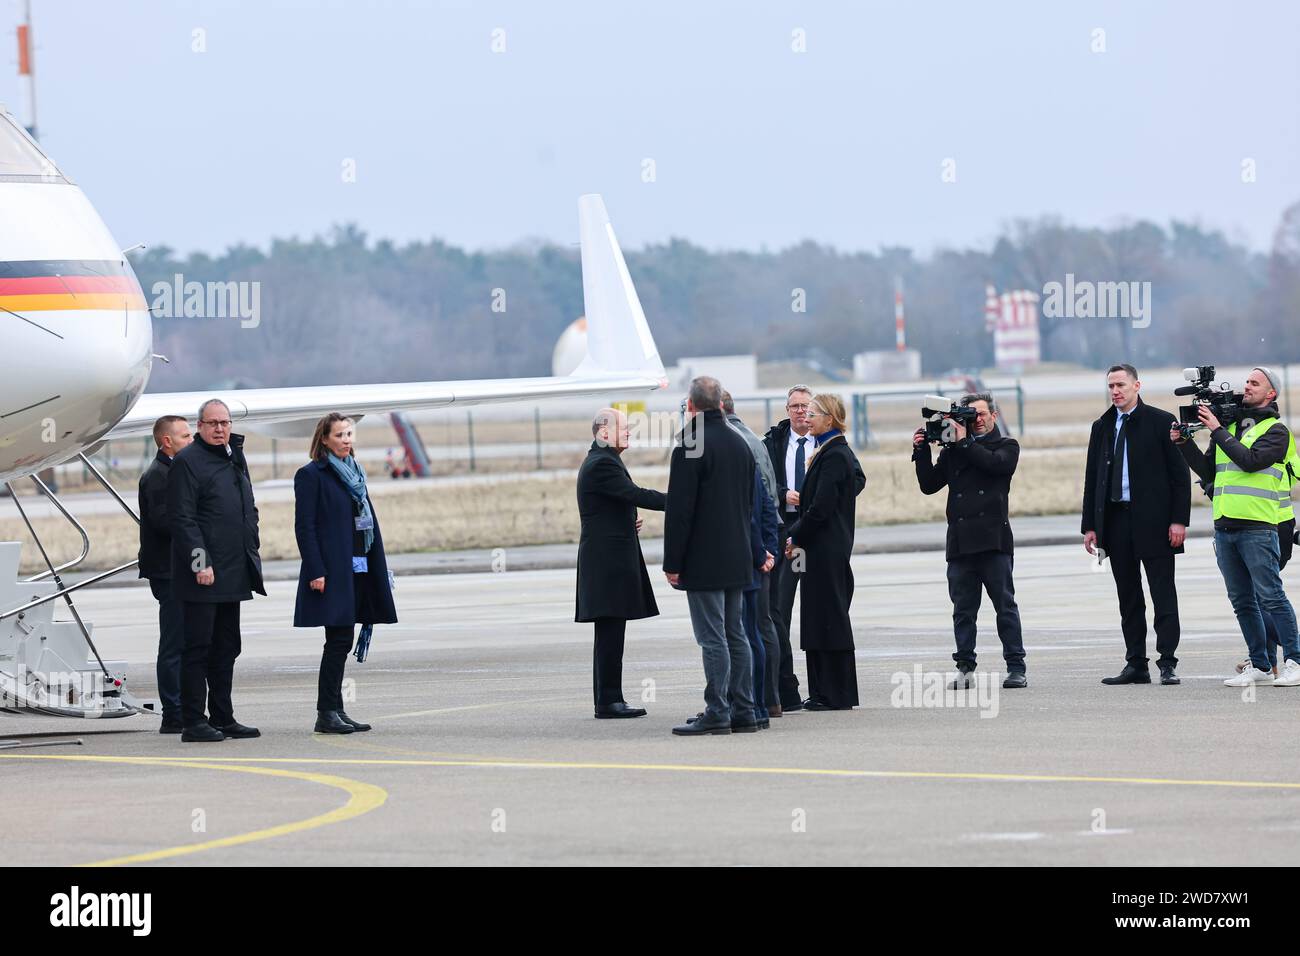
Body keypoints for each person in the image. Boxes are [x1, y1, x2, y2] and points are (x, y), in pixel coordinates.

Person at [1173, 366, 1300, 686]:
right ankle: (1259, 665)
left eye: (1255, 383)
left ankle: (1295, 661)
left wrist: (1217, 430)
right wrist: (1183, 443)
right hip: (1225, 526)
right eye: (1247, 381)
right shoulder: (1229, 427)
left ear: (1271, 393)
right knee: (1242, 601)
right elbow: (1207, 471)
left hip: (1259, 526)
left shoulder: (1276, 431)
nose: (1247, 387)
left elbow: (1250, 461)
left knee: (1271, 597)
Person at [1082, 364, 1191, 686]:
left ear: (1136, 386)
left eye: (1120, 385)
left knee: (1162, 594)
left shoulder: (1161, 422)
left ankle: (1167, 662)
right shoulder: (1102, 426)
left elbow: (1179, 477)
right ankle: (1136, 663)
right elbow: (1093, 479)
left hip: (1156, 522)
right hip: (1115, 521)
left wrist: (1178, 520)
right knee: (1128, 597)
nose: (1115, 392)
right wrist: (1091, 525)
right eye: (1111, 386)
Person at [912, 392, 1027, 689]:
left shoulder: (1006, 445)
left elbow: (994, 465)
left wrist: (963, 442)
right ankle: (964, 667)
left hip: (993, 540)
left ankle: (1016, 666)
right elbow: (929, 485)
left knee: (1005, 606)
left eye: (980, 415)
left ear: (994, 415)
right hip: (960, 542)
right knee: (963, 610)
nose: (975, 421)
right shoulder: (953, 450)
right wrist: (923, 452)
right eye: (970, 416)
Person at [664, 376, 757, 736]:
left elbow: (680, 511)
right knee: (736, 633)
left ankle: (718, 709)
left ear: (690, 405)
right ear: (720, 404)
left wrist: (673, 561)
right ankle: (743, 708)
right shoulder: (739, 443)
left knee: (711, 637)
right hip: (736, 554)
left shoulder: (691, 444)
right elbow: (748, 503)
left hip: (704, 558)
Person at [168, 399, 265, 742]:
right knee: (198, 648)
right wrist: (200, 562)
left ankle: (223, 717)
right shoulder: (187, 462)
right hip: (203, 575)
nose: (220, 428)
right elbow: (183, 519)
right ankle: (193, 721)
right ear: (200, 426)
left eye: (224, 422)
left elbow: (246, 506)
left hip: (233, 570)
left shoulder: (233, 455)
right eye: (213, 423)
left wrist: (251, 539)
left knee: (227, 648)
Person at [294, 413, 397, 734]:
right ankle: (326, 712)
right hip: (331, 569)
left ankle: (336, 709)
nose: (346, 439)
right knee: (337, 640)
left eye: (349, 433)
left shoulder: (354, 473)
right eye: (339, 434)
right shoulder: (312, 475)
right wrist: (315, 569)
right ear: (324, 439)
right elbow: (305, 526)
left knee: (343, 638)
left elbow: (362, 523)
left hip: (357, 567)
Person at [575, 407, 666, 718]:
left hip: (607, 557)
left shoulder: (604, 460)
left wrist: (626, 520)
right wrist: (680, 500)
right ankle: (609, 701)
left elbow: (613, 503)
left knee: (610, 632)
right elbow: (635, 493)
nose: (629, 433)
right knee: (611, 632)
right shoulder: (602, 463)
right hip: (607, 562)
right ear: (603, 433)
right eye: (623, 428)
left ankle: (608, 699)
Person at [785, 394, 865, 709]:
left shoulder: (835, 455)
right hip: (819, 547)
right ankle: (821, 690)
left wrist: (793, 535)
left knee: (829, 617)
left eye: (814, 413)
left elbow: (820, 508)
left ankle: (836, 692)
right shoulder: (827, 451)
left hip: (826, 547)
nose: (807, 417)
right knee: (817, 617)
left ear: (828, 419)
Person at [723, 391, 782, 718]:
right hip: (762, 546)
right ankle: (766, 700)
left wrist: (762, 551)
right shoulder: (749, 438)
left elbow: (755, 506)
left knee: (750, 628)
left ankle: (754, 702)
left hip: (752, 549)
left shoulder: (736, 442)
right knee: (761, 625)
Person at [137, 414, 192, 733]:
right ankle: (173, 711)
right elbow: (164, 522)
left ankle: (183, 706)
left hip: (179, 567)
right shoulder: (158, 476)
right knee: (174, 642)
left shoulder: (175, 472)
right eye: (185, 436)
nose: (191, 440)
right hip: (168, 571)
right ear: (167, 441)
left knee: (186, 640)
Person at [763, 385, 815, 711]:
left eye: (804, 406)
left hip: (812, 537)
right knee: (779, 610)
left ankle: (823, 686)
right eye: (794, 406)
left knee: (815, 608)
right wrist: (784, 494)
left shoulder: (824, 442)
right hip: (785, 537)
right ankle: (787, 687)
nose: (799, 411)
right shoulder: (773, 443)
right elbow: (763, 480)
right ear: (787, 410)